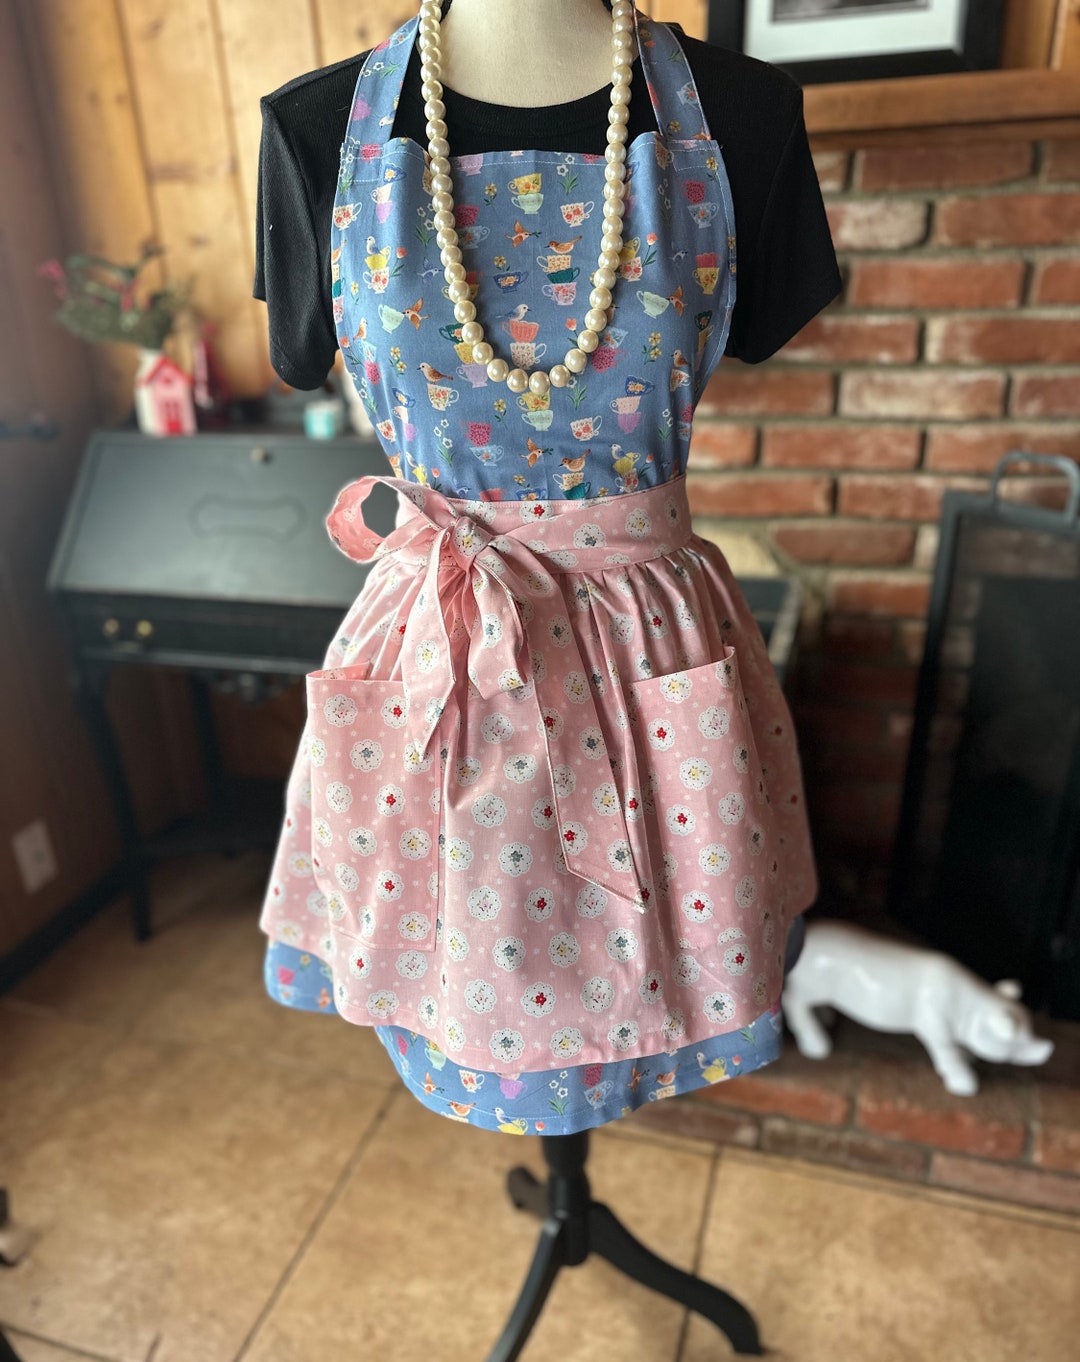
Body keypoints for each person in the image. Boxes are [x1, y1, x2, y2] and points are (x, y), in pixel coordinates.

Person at [255, 0, 841, 1135]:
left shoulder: (743, 115)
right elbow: (297, 346)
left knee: (656, 956)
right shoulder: (320, 126)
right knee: (466, 958)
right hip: (443, 646)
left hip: (649, 648)